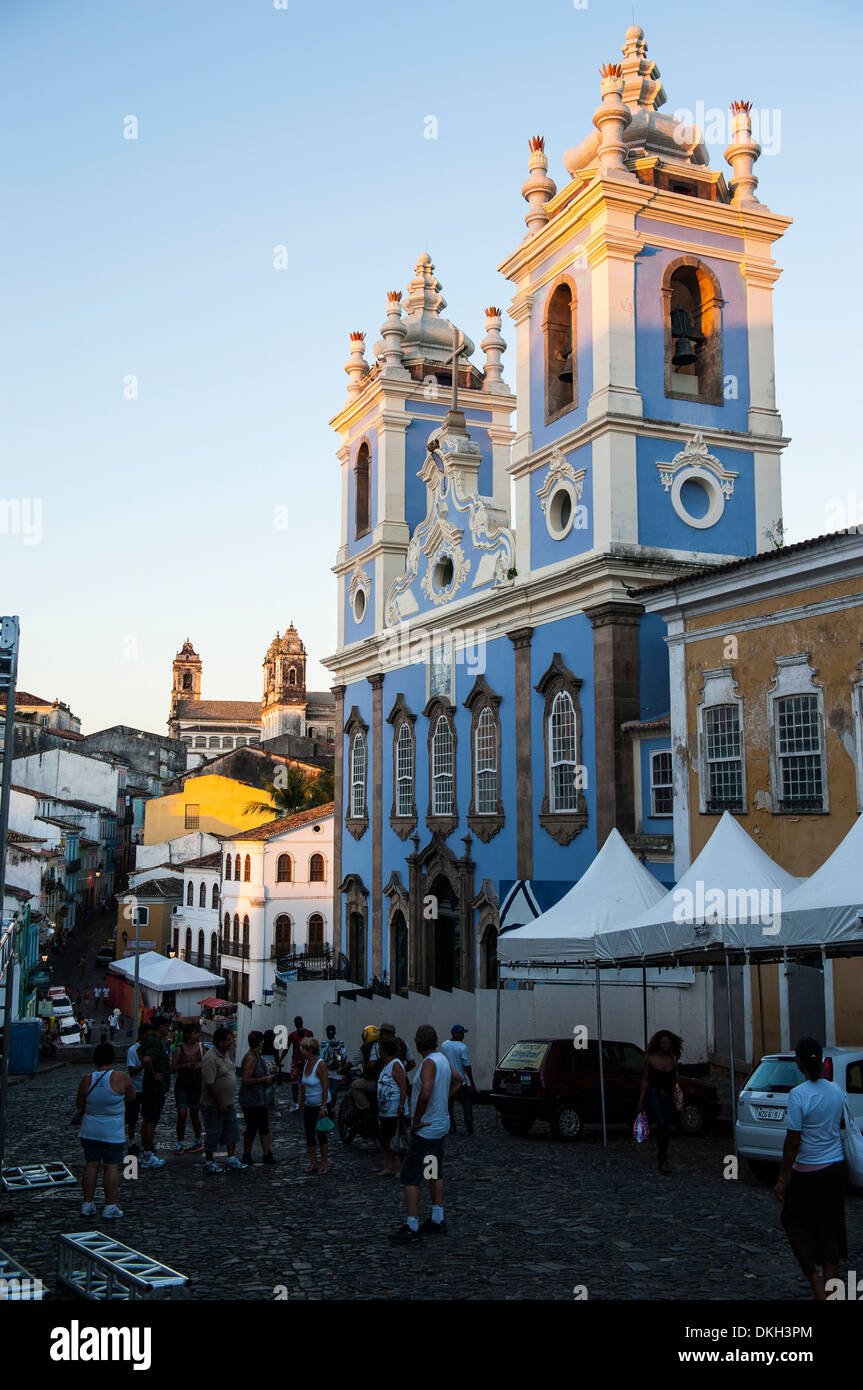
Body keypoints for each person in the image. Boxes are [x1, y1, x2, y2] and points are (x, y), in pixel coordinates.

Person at [775, 1036, 848, 1300]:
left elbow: (793, 1141)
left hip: (808, 1171)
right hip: (835, 1169)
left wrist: (783, 1178)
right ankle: (831, 1292)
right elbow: (839, 1124)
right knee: (830, 1228)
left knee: (793, 1221)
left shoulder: (798, 1095)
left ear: (799, 1063)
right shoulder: (836, 1090)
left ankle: (816, 1284)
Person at [388, 1025, 461, 1244]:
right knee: (434, 1171)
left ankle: (412, 1225)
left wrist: (417, 1119)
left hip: (426, 1129)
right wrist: (443, 1102)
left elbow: (425, 1092)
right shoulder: (442, 1060)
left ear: (418, 1044)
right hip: (441, 1125)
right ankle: (437, 1219)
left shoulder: (429, 1063)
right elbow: (459, 1080)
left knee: (411, 1176)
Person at [76, 1042, 137, 1220]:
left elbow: (80, 1104)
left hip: (89, 1130)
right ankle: (110, 1206)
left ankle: (87, 1204)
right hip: (112, 1131)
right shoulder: (121, 1078)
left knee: (91, 1165)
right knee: (111, 1167)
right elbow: (132, 1097)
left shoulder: (87, 1079)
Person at [200, 1025, 247, 1174]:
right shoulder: (210, 1058)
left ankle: (231, 1159)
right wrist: (219, 1102)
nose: (231, 1042)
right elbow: (210, 1083)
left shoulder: (225, 1054)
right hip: (213, 1104)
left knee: (231, 1131)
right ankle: (209, 1161)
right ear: (220, 1042)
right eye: (228, 1040)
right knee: (213, 1132)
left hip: (228, 1102)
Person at [636, 1029, 682, 1174]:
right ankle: (662, 1159)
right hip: (654, 1094)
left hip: (667, 1095)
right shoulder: (650, 1059)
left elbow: (676, 1081)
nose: (665, 1045)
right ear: (658, 1044)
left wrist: (679, 1098)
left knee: (667, 1125)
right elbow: (645, 1080)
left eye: (668, 1043)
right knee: (661, 1124)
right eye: (663, 1043)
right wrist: (641, 1102)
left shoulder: (672, 1060)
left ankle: (663, 1155)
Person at [138, 1013, 172, 1169]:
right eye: (167, 1025)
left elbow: (140, 1052)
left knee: (147, 1120)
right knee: (151, 1121)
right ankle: (147, 1154)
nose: (169, 1028)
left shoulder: (151, 1040)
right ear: (160, 1027)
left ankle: (145, 1152)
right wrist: (153, 1074)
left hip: (150, 1087)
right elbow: (146, 1058)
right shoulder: (156, 1042)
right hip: (154, 1088)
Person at [239, 1031, 277, 1165]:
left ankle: (267, 1153)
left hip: (259, 1098)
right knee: (252, 1128)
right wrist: (264, 1079)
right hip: (251, 1099)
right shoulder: (251, 1058)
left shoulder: (257, 1056)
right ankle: (247, 1154)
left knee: (263, 1127)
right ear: (259, 1042)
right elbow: (245, 1080)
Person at [376, 1035, 407, 1177]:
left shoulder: (396, 1065)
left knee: (397, 1138)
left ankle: (401, 1167)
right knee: (387, 1138)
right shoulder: (386, 1065)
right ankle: (390, 1166)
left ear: (385, 1051)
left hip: (394, 1109)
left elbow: (403, 1086)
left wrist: (401, 1105)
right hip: (385, 1110)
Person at [171, 1024, 204, 1154]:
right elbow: (172, 1068)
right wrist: (184, 1066)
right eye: (195, 1033)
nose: (197, 1036)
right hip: (182, 1085)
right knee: (182, 1113)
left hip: (196, 1085)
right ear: (188, 1035)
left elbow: (206, 1063)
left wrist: (200, 1064)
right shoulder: (180, 1050)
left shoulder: (201, 1048)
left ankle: (197, 1140)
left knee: (195, 1114)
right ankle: (180, 1142)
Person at [298, 1037, 329, 1175]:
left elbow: (325, 1086)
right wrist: (300, 1102)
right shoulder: (306, 1063)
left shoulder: (320, 1064)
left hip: (319, 1106)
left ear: (311, 1050)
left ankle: (324, 1163)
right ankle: (313, 1163)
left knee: (321, 1135)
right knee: (309, 1134)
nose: (302, 1051)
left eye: (305, 1049)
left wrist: (323, 1106)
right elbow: (303, 1085)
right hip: (309, 1106)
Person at [441, 1025, 476, 1136]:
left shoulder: (444, 1045)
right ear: (455, 1034)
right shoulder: (462, 1047)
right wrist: (472, 1081)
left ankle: (452, 1126)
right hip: (460, 1080)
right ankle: (468, 1119)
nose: (463, 1035)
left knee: (449, 1104)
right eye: (461, 1033)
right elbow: (467, 1065)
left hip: (448, 1080)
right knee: (466, 1101)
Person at [126, 1021, 151, 1154]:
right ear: (141, 1035)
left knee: (147, 1117)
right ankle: (131, 1142)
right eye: (147, 1035)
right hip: (135, 1089)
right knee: (132, 1118)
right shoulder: (132, 1050)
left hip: (147, 1088)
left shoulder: (150, 1049)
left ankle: (146, 1142)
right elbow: (131, 1071)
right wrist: (144, 1064)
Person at [287, 1016, 313, 1111]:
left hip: (295, 1061)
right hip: (306, 1061)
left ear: (295, 1023)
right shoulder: (309, 1033)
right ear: (302, 1022)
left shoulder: (292, 1035)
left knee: (294, 1083)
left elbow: (287, 1048)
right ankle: (304, 1101)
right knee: (305, 1082)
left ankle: (296, 1103)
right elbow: (313, 1048)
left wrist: (280, 1060)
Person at [321, 1024, 345, 1111]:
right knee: (334, 1091)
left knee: (327, 1089)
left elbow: (322, 1057)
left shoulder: (324, 1044)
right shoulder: (341, 1043)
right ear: (335, 1032)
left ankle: (327, 1106)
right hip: (336, 1071)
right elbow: (342, 1057)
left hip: (326, 1071)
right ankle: (332, 1107)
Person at [261, 1028, 283, 1109]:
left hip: (264, 1063)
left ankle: (264, 1100)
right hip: (272, 1064)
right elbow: (277, 1057)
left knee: (264, 1081)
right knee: (272, 1083)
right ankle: (270, 1101)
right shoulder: (275, 1045)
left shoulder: (263, 1045)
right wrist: (279, 1068)